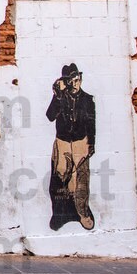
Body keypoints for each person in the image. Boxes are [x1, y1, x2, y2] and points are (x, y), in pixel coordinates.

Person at [46, 63, 96, 231]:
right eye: (71, 81)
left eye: (77, 80)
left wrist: (92, 144)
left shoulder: (88, 99)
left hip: (81, 141)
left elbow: (91, 123)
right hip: (63, 141)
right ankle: (60, 215)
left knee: (81, 179)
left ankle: (82, 212)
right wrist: (57, 95)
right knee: (60, 177)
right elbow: (50, 116)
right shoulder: (61, 97)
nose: (75, 84)